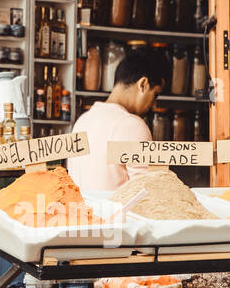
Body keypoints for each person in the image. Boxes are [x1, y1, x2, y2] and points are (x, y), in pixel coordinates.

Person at [67, 46, 170, 193]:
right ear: (143, 84)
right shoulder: (132, 125)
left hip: (82, 214)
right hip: (117, 216)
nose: (154, 105)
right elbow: (147, 195)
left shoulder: (82, 121)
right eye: (155, 95)